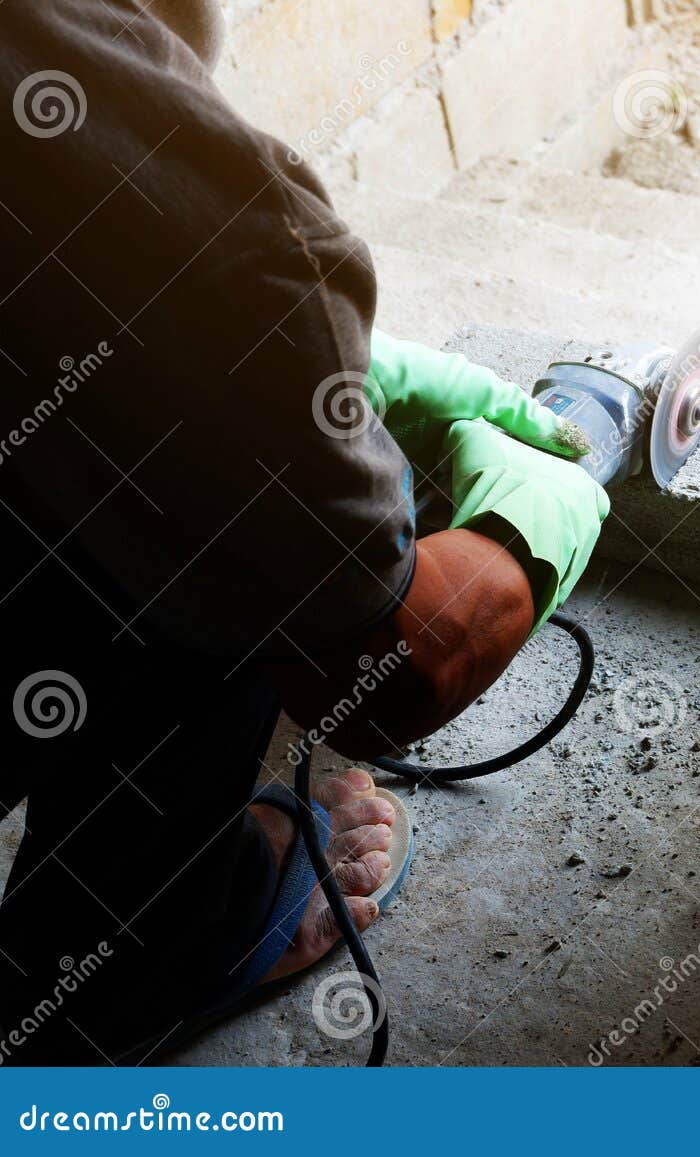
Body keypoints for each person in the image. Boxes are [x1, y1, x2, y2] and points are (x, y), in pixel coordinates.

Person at [0, 0, 606, 1062]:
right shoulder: (204, 221)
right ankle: (129, 960)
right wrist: (528, 524)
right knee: (216, 532)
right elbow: (386, 672)